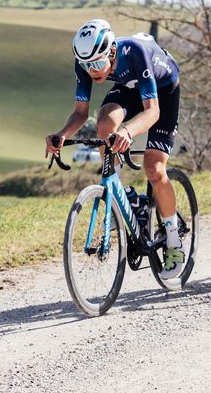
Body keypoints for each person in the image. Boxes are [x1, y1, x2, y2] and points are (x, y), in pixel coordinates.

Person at [45, 19, 186, 280]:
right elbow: (80, 112)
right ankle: (122, 192)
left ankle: (173, 238)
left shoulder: (135, 51)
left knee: (154, 169)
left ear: (111, 52)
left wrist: (128, 132)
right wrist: (62, 134)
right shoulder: (86, 62)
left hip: (162, 92)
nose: (92, 71)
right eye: (86, 65)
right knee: (104, 124)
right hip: (128, 87)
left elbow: (152, 111)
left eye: (98, 64)